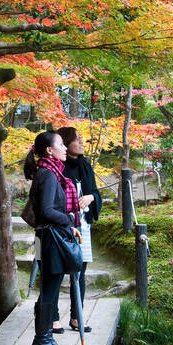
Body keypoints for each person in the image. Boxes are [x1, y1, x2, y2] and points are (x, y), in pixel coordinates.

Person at [23, 131, 82, 345]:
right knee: (49, 289)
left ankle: (43, 340)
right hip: (50, 240)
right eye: (61, 145)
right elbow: (47, 211)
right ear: (49, 150)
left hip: (45, 237)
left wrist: (68, 225)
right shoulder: (48, 174)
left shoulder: (47, 173)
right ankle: (43, 341)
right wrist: (68, 220)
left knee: (47, 288)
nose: (65, 148)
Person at [58, 126, 98, 333]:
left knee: (80, 272)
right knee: (55, 272)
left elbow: (95, 193)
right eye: (78, 139)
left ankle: (76, 316)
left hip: (82, 225)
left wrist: (90, 197)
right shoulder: (57, 167)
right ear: (65, 143)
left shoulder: (84, 165)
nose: (82, 143)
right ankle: (53, 319)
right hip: (61, 225)